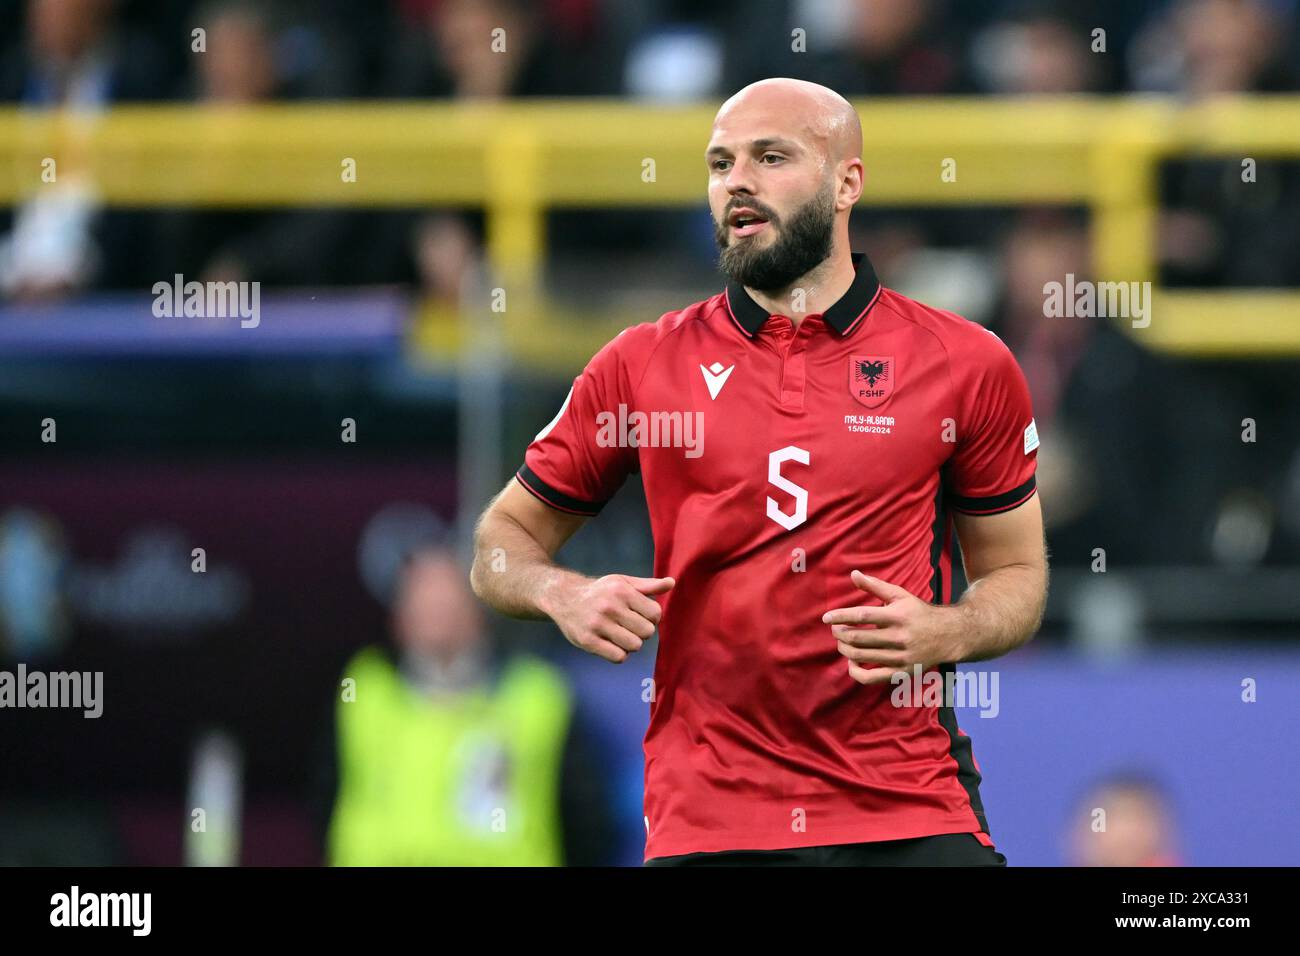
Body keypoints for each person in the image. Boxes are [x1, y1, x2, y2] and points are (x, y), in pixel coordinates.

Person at [471, 78, 1049, 866]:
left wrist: (953, 628)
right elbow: (499, 542)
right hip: (712, 819)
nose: (736, 181)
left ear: (848, 183)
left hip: (906, 808)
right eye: (719, 163)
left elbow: (1017, 573)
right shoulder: (641, 365)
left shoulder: (965, 363)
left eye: (771, 157)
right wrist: (559, 590)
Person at [323, 543, 614, 866]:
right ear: (400, 619)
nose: (436, 617)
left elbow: (583, 819)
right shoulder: (367, 691)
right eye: (423, 603)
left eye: (448, 602)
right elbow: (325, 794)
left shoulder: (538, 697)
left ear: (479, 611)